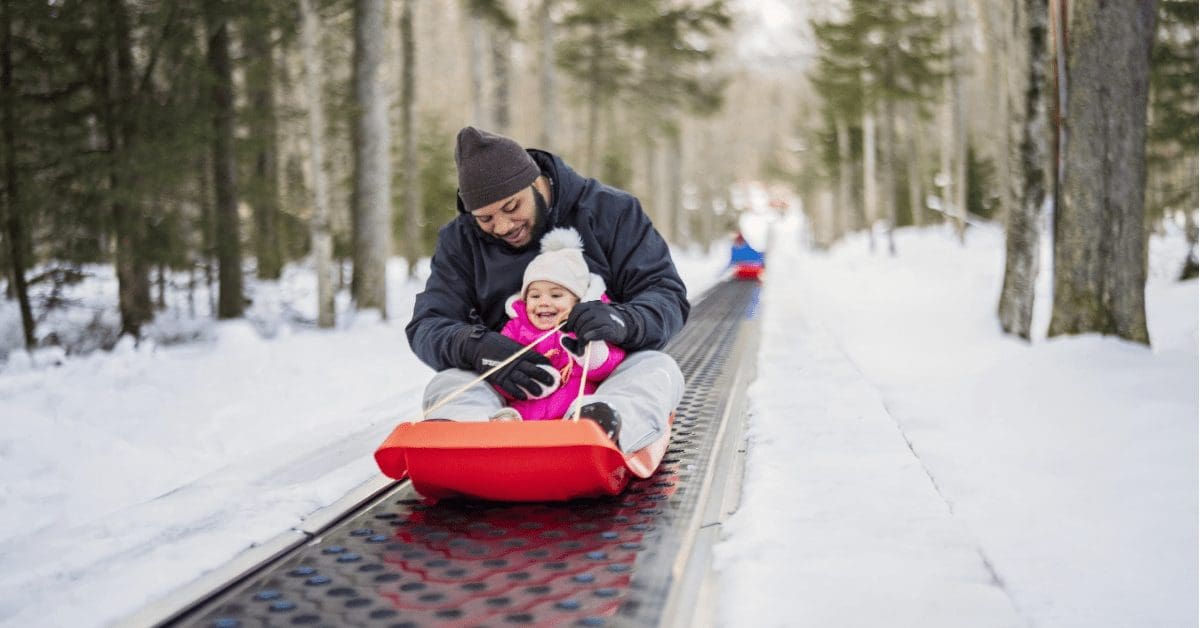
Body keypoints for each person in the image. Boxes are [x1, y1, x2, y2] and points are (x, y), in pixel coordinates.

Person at [406, 126, 687, 453]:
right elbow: (428, 323)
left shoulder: (612, 212)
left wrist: (624, 320)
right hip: (506, 397)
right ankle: (469, 438)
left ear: (535, 180)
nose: (502, 226)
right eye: (485, 218)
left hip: (600, 380)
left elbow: (666, 294)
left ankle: (595, 432)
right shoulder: (461, 240)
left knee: (657, 369)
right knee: (448, 381)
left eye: (512, 207)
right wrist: (475, 346)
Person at [487, 227, 626, 440]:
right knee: (504, 407)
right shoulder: (515, 329)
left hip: (573, 414)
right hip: (525, 417)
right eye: (534, 296)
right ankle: (503, 434)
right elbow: (500, 375)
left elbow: (610, 366)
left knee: (588, 405)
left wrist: (591, 352)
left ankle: (591, 431)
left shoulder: (586, 327)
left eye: (555, 295)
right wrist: (510, 377)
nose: (543, 302)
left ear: (578, 300)